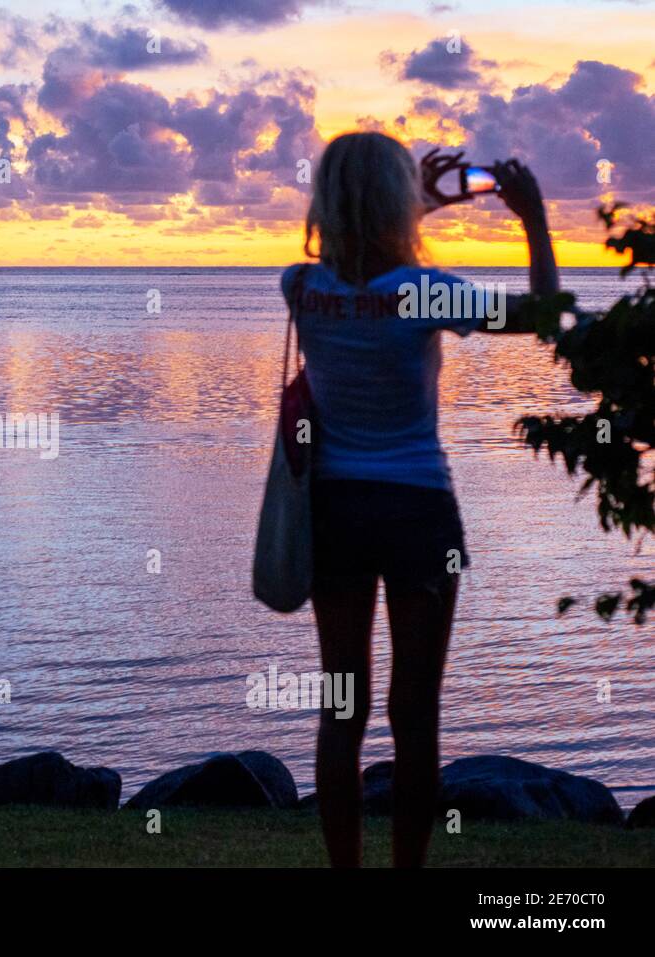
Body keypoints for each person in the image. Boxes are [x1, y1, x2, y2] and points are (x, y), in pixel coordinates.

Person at [283, 132, 558, 867]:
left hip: (335, 513)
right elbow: (545, 316)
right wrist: (531, 219)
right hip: (417, 514)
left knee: (342, 710)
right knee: (416, 715)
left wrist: (416, 209)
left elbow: (361, 273)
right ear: (395, 199)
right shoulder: (427, 293)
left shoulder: (299, 288)